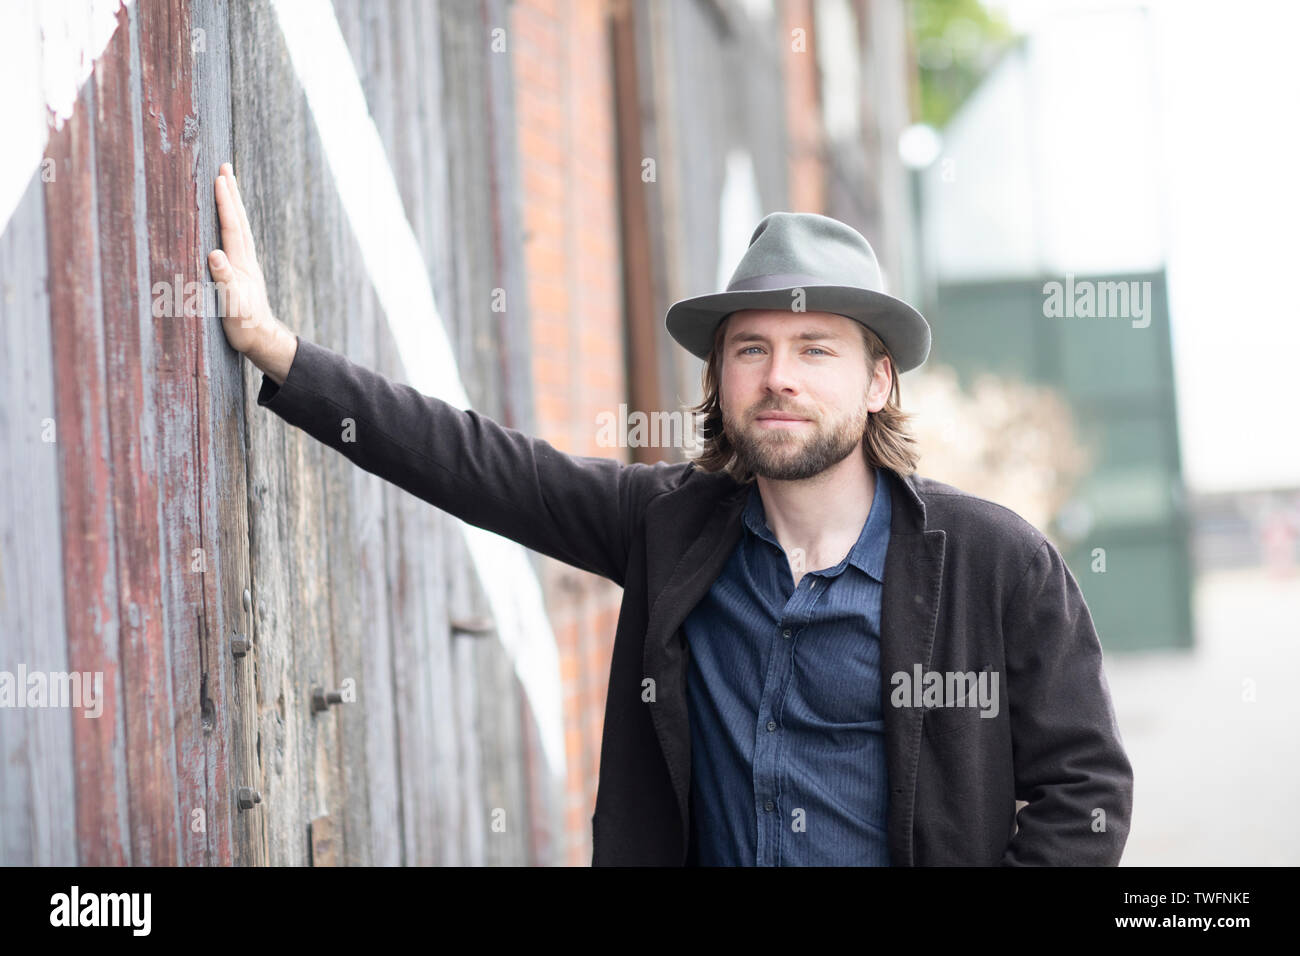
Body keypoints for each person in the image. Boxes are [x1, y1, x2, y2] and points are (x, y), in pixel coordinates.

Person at [208, 162, 1134, 865]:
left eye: (816, 349)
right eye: (751, 350)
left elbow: (1084, 787)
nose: (780, 377)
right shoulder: (670, 527)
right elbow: (474, 463)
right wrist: (275, 349)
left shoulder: (992, 561)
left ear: (879, 377)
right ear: (718, 379)